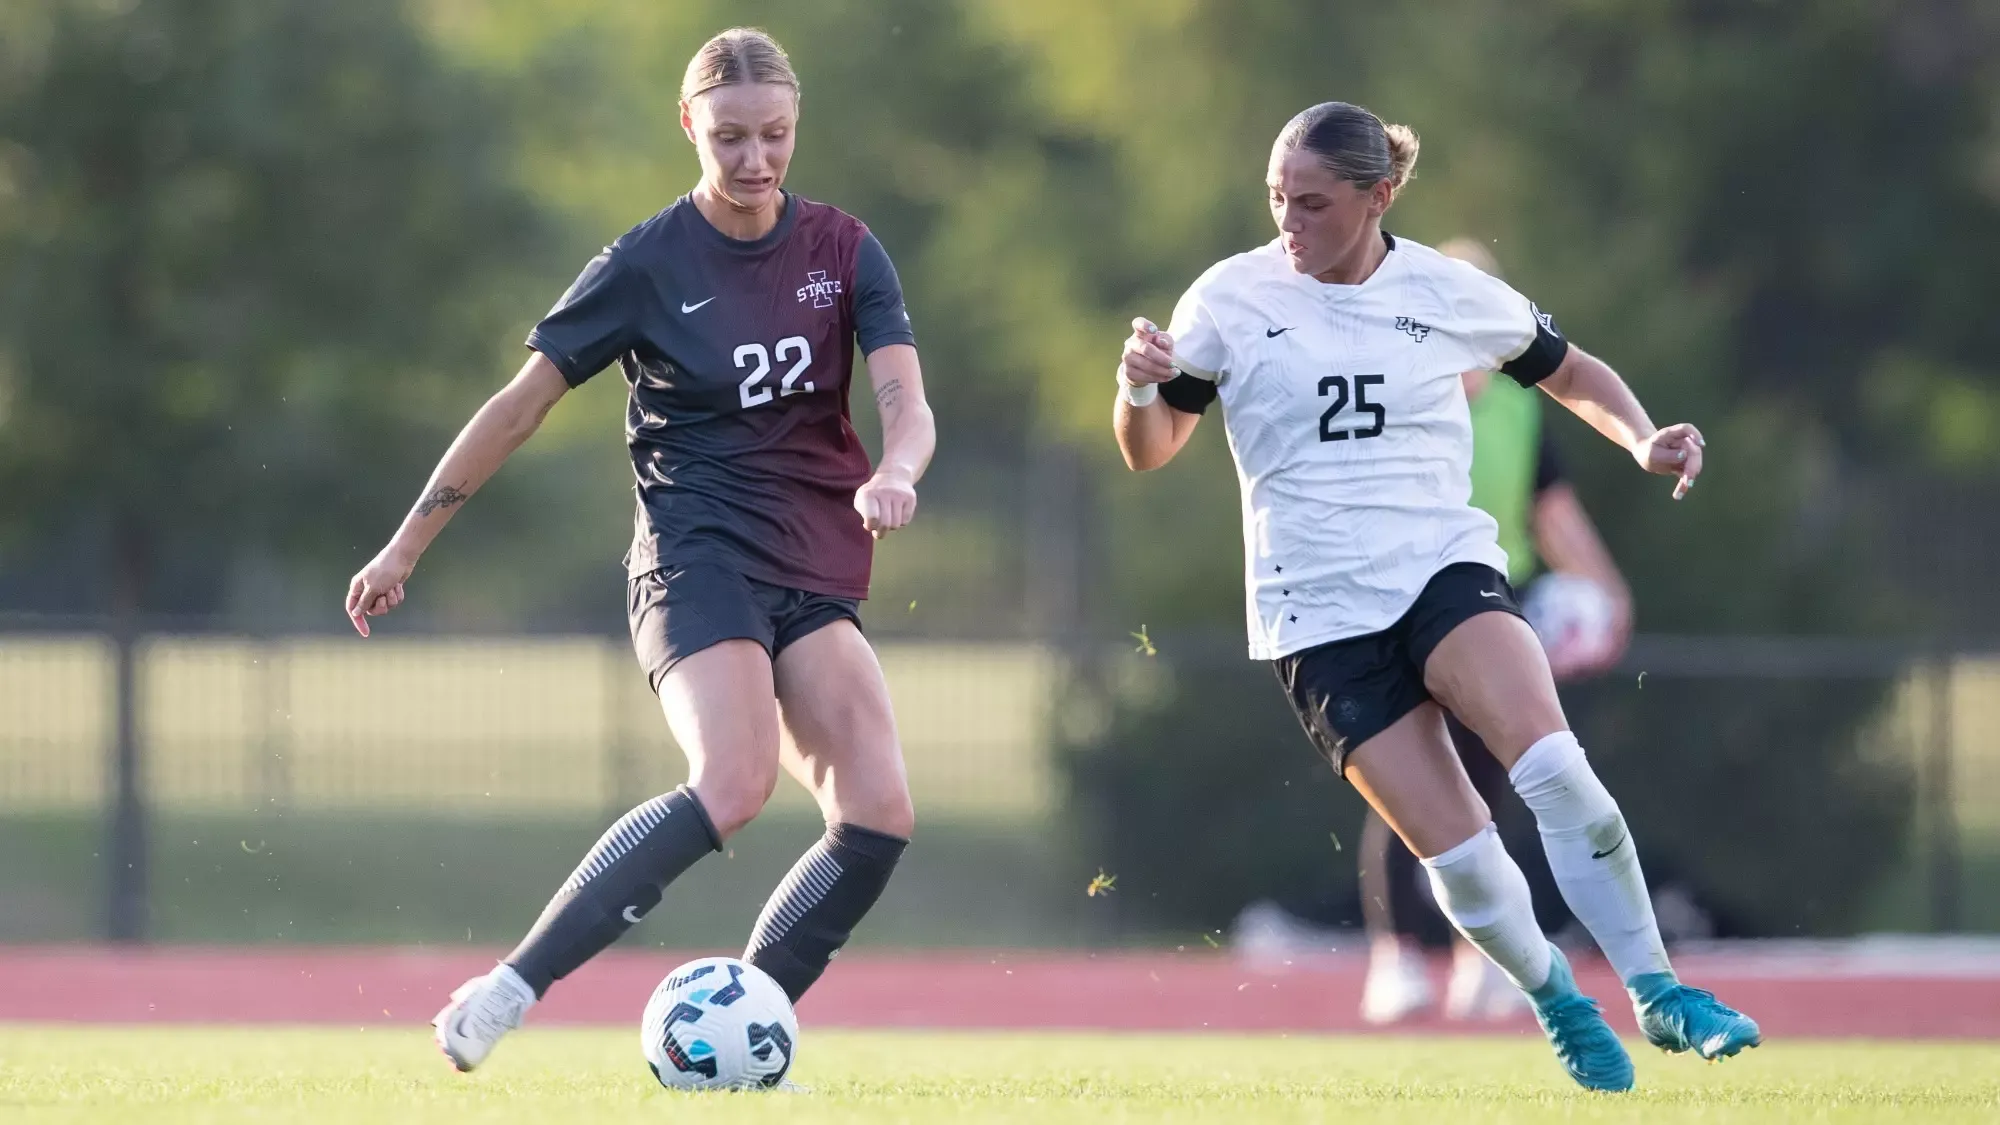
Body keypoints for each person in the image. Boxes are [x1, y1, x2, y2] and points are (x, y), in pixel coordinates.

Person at [1111, 102, 1756, 1092]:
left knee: (1554, 770)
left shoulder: (1446, 291)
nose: (1290, 223)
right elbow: (1147, 452)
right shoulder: (1226, 300)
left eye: (1314, 204)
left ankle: (1661, 993)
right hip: (1315, 618)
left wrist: (1637, 437)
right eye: (1277, 200)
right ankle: (1553, 998)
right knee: (1461, 859)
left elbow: (1565, 369)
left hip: (1438, 572)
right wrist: (1138, 387)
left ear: (1379, 196)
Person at [342, 28, 936, 1073]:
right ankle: (505, 990)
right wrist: (405, 545)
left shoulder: (844, 248)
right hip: (694, 553)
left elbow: (905, 401)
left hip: (812, 560)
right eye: (729, 138)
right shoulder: (645, 262)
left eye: (775, 136)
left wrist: (895, 472)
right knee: (734, 781)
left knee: (879, 811)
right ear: (688, 127)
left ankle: (736, 1038)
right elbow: (517, 408)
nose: (754, 160)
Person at [1357, 238, 1635, 1026]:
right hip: (1396, 596)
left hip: (1486, 598)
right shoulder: (1395, 391)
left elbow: (1551, 513)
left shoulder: (1517, 405)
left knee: (1487, 784)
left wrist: (1607, 593)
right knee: (1404, 784)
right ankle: (1397, 956)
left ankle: (1481, 957)